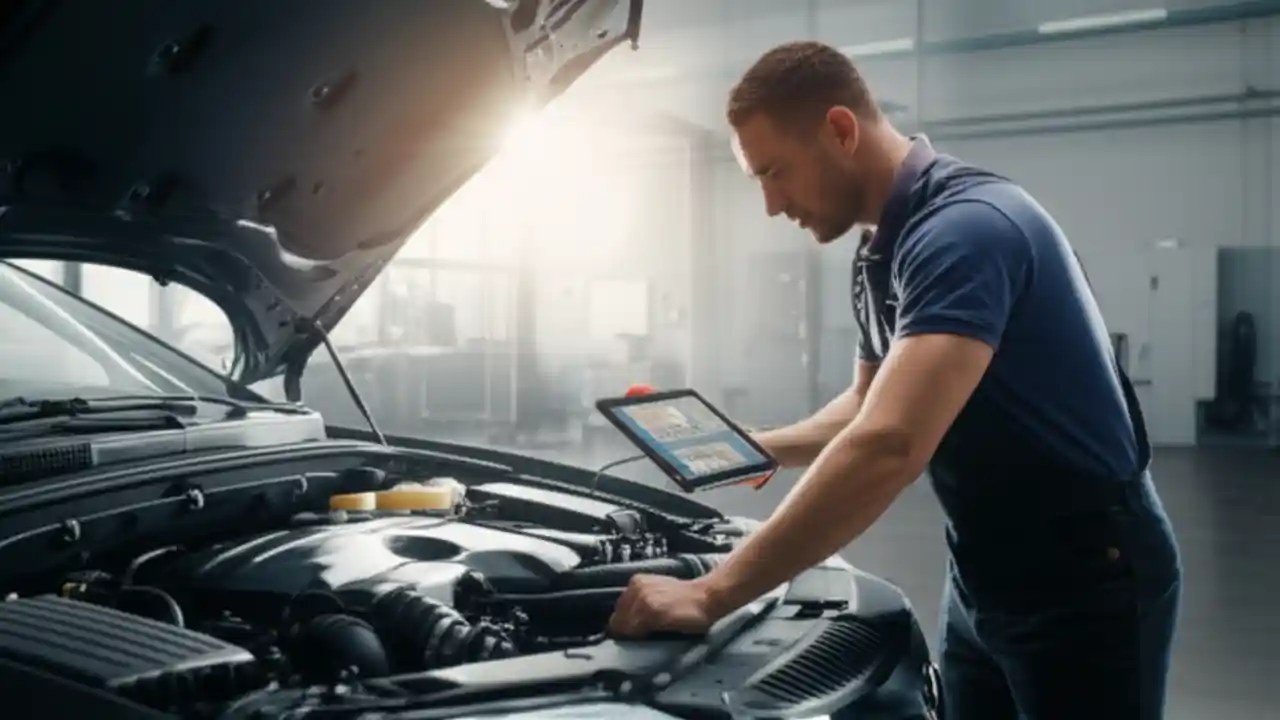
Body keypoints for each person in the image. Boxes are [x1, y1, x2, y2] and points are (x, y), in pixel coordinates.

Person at [607, 41, 1182, 719]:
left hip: (1086, 577)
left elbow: (890, 441)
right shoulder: (882, 249)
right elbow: (866, 404)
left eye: (775, 172)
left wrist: (714, 593)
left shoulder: (967, 232)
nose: (770, 204)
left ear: (840, 129)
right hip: (984, 571)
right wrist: (755, 446)